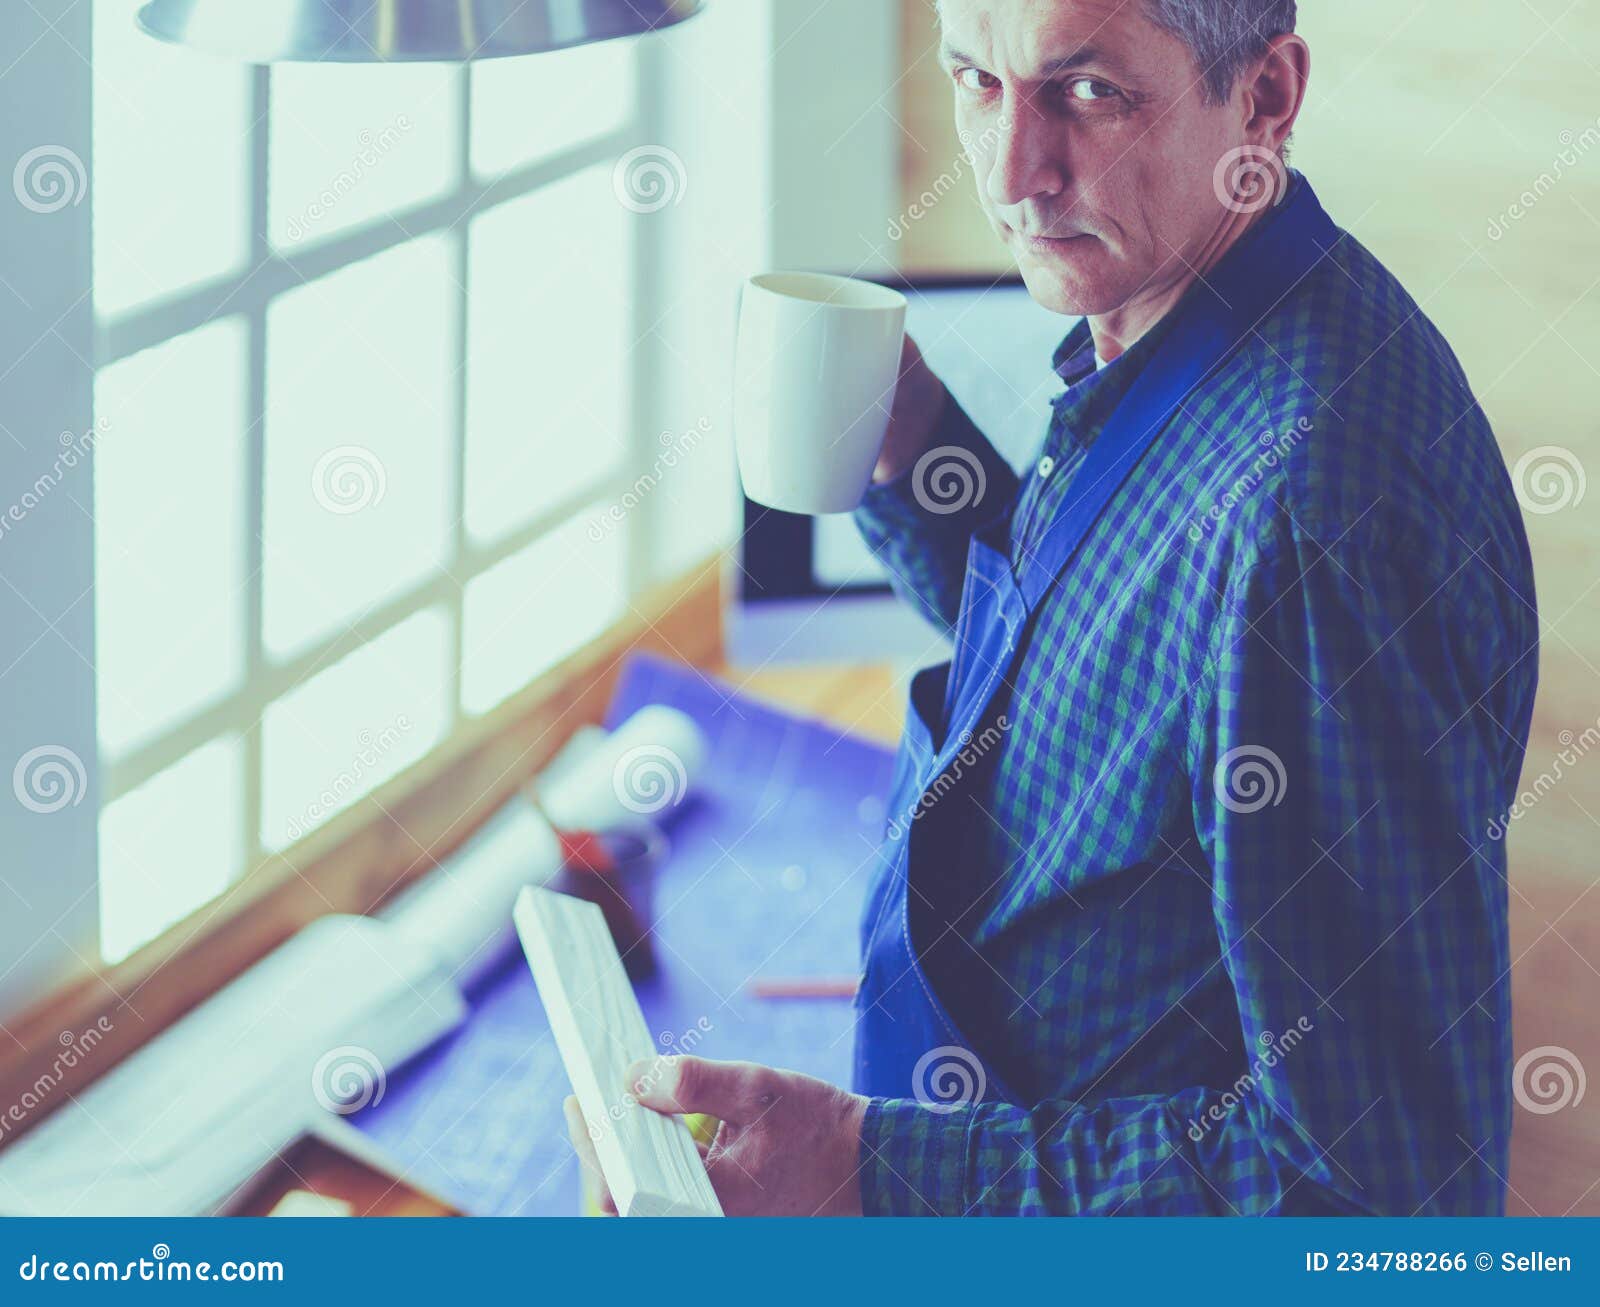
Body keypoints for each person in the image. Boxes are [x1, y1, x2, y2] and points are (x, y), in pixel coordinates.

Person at [568, 0, 1538, 1216]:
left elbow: (1376, 1184)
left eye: (1088, 93)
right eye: (977, 81)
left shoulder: (1309, 510)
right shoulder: (1168, 315)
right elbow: (1096, 663)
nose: (1011, 175)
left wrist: (870, 1166)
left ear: (1263, 98)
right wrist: (915, 450)